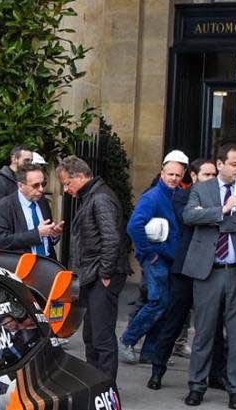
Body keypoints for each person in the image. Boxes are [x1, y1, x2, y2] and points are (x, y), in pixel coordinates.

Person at [179, 142, 236, 409]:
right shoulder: (201, 189)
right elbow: (189, 216)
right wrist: (222, 211)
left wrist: (218, 221)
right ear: (220, 165)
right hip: (208, 272)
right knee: (203, 332)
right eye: (235, 164)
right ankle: (197, 386)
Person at [142, 158, 212, 389]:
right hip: (184, 268)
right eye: (206, 175)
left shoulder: (219, 200)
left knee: (212, 323)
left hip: (210, 269)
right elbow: (187, 219)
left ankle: (216, 374)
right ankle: (157, 370)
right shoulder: (182, 196)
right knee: (173, 320)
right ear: (194, 176)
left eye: (214, 175)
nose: (211, 179)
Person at [57, 156, 126, 379]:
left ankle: (105, 385)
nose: (66, 189)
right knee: (92, 335)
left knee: (101, 335)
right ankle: (96, 381)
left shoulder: (100, 198)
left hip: (100, 274)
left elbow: (111, 238)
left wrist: (105, 273)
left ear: (80, 176)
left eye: (67, 183)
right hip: (92, 274)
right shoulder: (93, 196)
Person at [122, 152, 189, 365]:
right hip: (158, 258)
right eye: (170, 174)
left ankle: (149, 352)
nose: (173, 178)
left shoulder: (176, 194)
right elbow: (134, 226)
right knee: (158, 302)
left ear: (183, 175)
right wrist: (148, 253)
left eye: (177, 175)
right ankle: (127, 340)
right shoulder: (153, 197)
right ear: (162, 173)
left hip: (168, 257)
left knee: (164, 304)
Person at [0, 162, 61, 256]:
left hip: (47, 261)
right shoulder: (5, 206)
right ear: (21, 186)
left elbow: (47, 238)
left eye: (43, 184)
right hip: (21, 265)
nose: (41, 189)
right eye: (36, 185)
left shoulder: (43, 202)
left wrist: (53, 234)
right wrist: (37, 234)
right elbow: (2, 241)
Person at [0, 147, 40, 248]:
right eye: (26, 160)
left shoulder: (23, 179)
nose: (29, 163)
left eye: (31, 161)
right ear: (14, 159)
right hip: (6, 243)